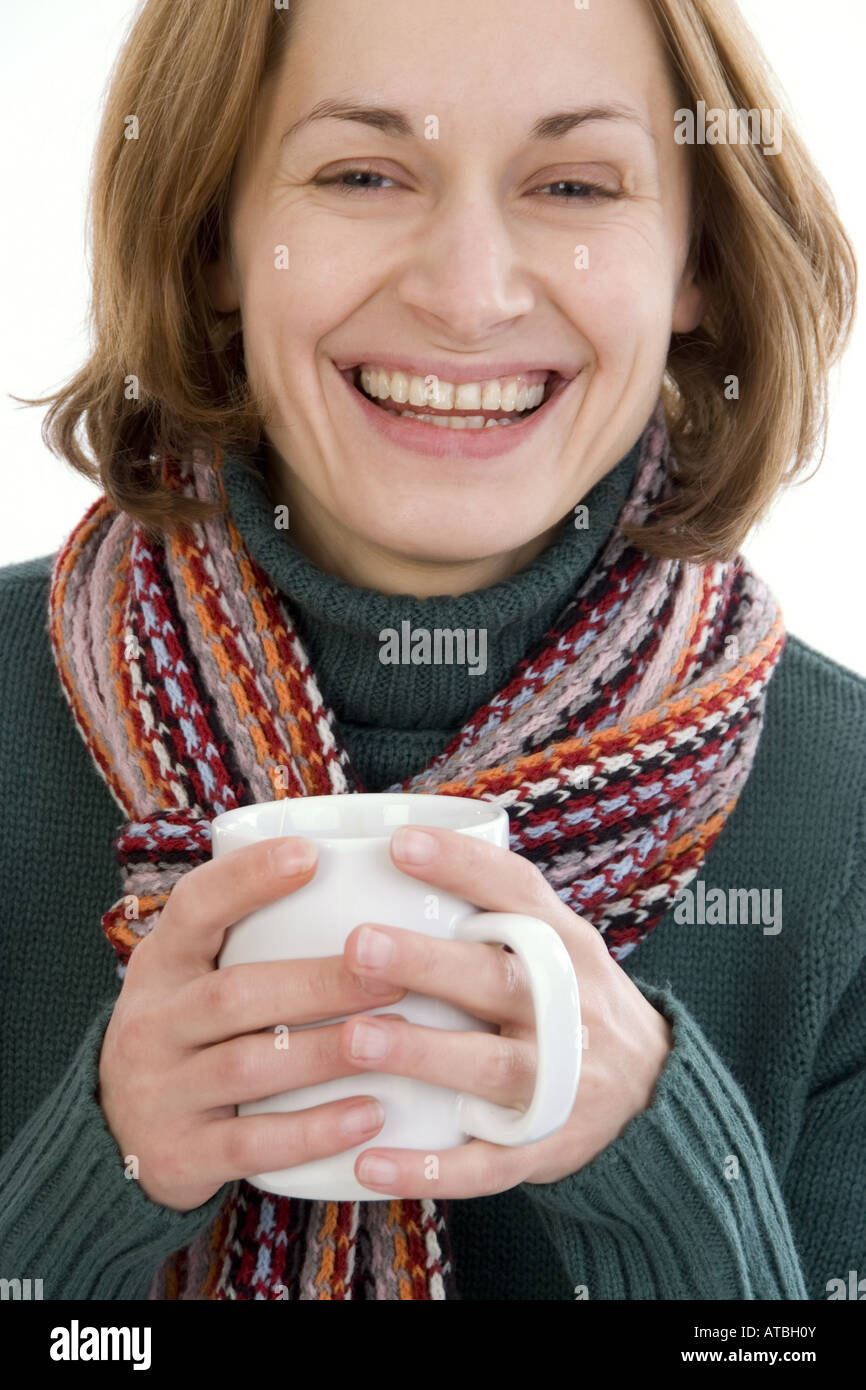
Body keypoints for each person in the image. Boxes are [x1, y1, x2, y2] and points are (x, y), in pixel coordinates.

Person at [0, 0, 862, 1301]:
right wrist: (93, 1182)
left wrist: (659, 1163)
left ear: (696, 264)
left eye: (571, 183)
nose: (468, 296)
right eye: (360, 173)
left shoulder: (843, 807)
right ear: (213, 233)